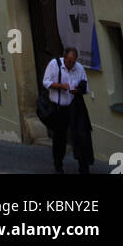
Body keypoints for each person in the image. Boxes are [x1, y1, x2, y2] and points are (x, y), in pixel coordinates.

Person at [43, 46, 94, 174]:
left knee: (82, 135)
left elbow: (86, 88)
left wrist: (77, 90)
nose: (71, 64)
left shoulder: (79, 68)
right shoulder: (54, 64)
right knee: (60, 137)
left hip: (75, 106)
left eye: (73, 61)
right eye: (69, 61)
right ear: (64, 58)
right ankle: (58, 164)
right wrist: (60, 86)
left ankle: (84, 166)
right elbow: (46, 82)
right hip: (59, 107)